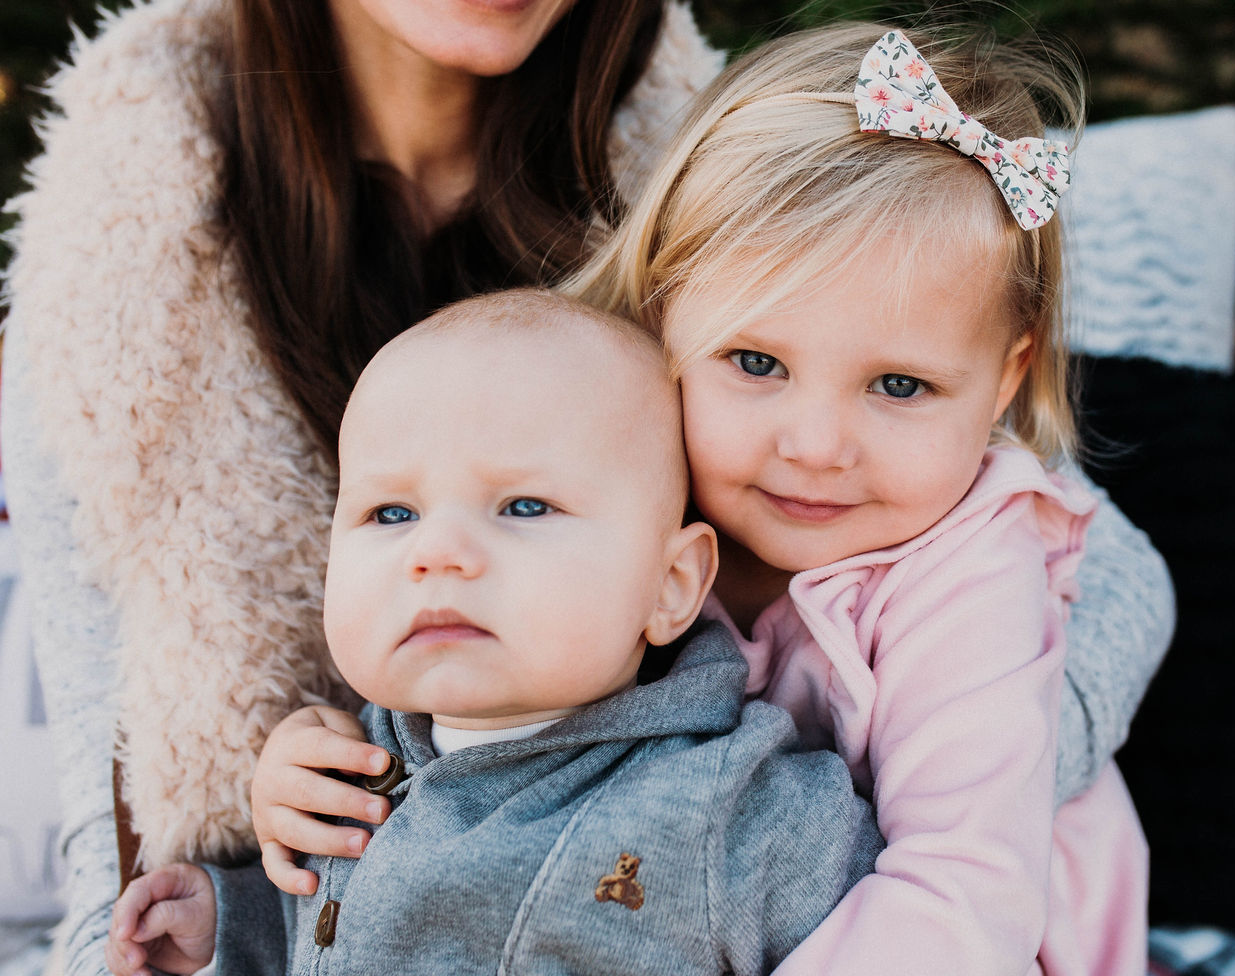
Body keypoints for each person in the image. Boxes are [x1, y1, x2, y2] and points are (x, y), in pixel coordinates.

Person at [4, 0, 1170, 973]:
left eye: (901, 386)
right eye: (756, 363)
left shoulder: (964, 568)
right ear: (665, 318)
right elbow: (486, 748)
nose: (817, 444)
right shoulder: (647, 433)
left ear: (1003, 380)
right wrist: (314, 773)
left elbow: (960, 898)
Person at [104, 290, 883, 976]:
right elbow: (330, 921)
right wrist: (229, 920)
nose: (436, 552)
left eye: (523, 507)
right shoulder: (347, 773)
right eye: (392, 513)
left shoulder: (731, 803)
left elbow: (903, 935)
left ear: (671, 584)